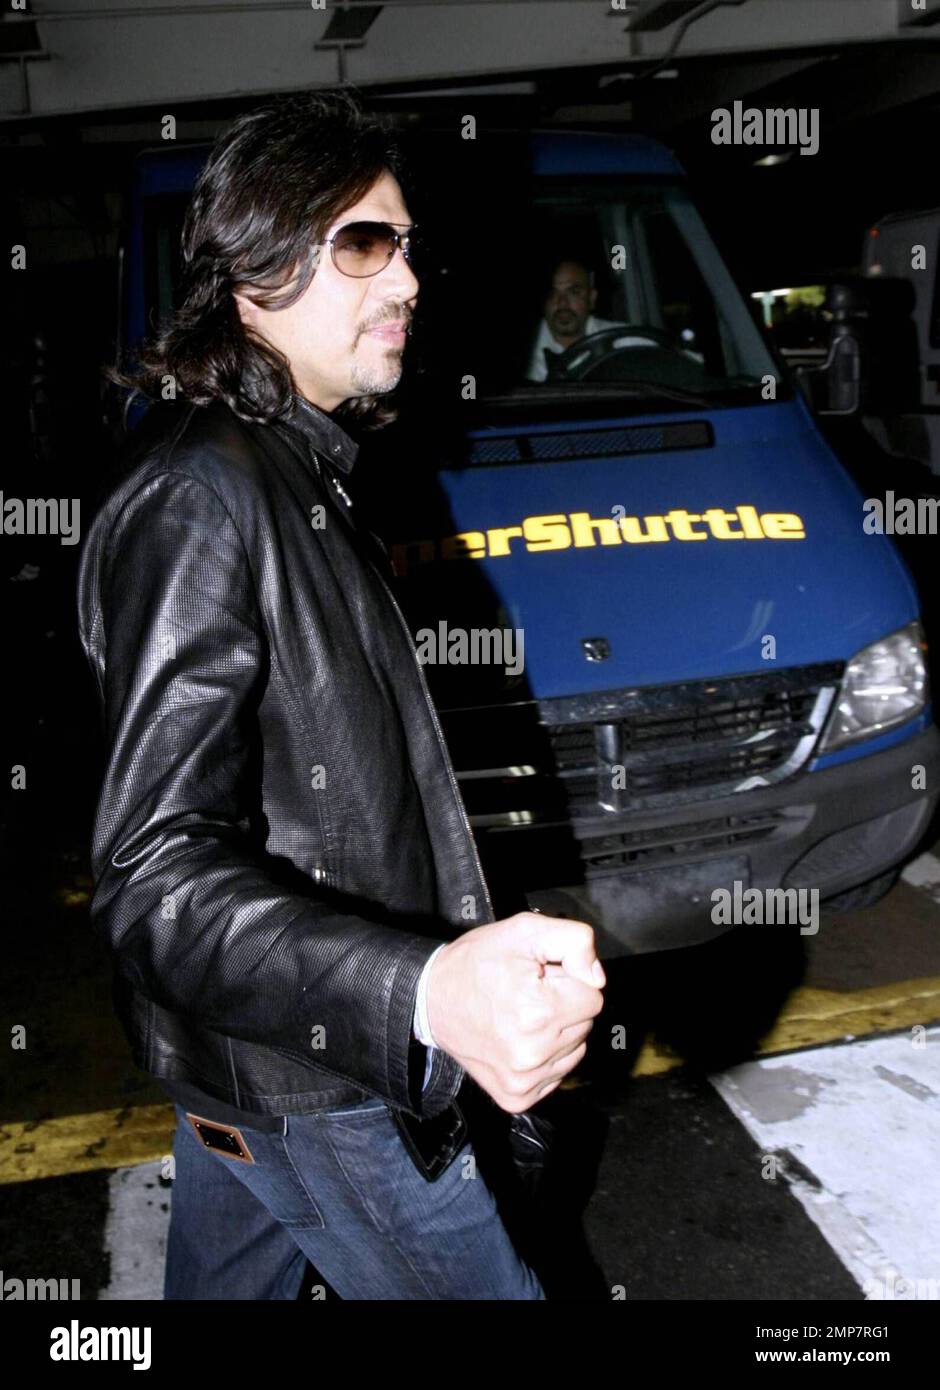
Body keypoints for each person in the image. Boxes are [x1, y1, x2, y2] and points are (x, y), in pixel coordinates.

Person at [75, 91, 606, 1301]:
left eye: (408, 244)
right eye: (364, 244)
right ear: (257, 269)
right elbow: (152, 871)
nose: (409, 279)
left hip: (265, 1067)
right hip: (326, 1085)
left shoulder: (299, 466)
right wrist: (422, 989)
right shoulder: (201, 498)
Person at [525, 258, 625, 382]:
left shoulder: (623, 342)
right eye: (552, 293)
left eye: (574, 292)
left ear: (591, 299)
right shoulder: (524, 355)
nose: (562, 303)